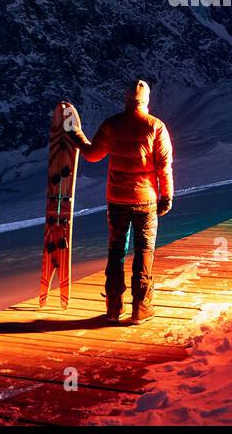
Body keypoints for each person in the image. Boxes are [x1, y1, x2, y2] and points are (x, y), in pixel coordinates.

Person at [68, 79, 173, 324]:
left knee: (116, 251)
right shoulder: (155, 127)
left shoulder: (111, 125)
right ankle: (141, 307)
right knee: (144, 250)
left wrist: (78, 137)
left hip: (116, 200)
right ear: (146, 100)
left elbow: (93, 155)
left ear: (126, 99)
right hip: (145, 200)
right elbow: (164, 167)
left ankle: (114, 307)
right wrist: (166, 196)